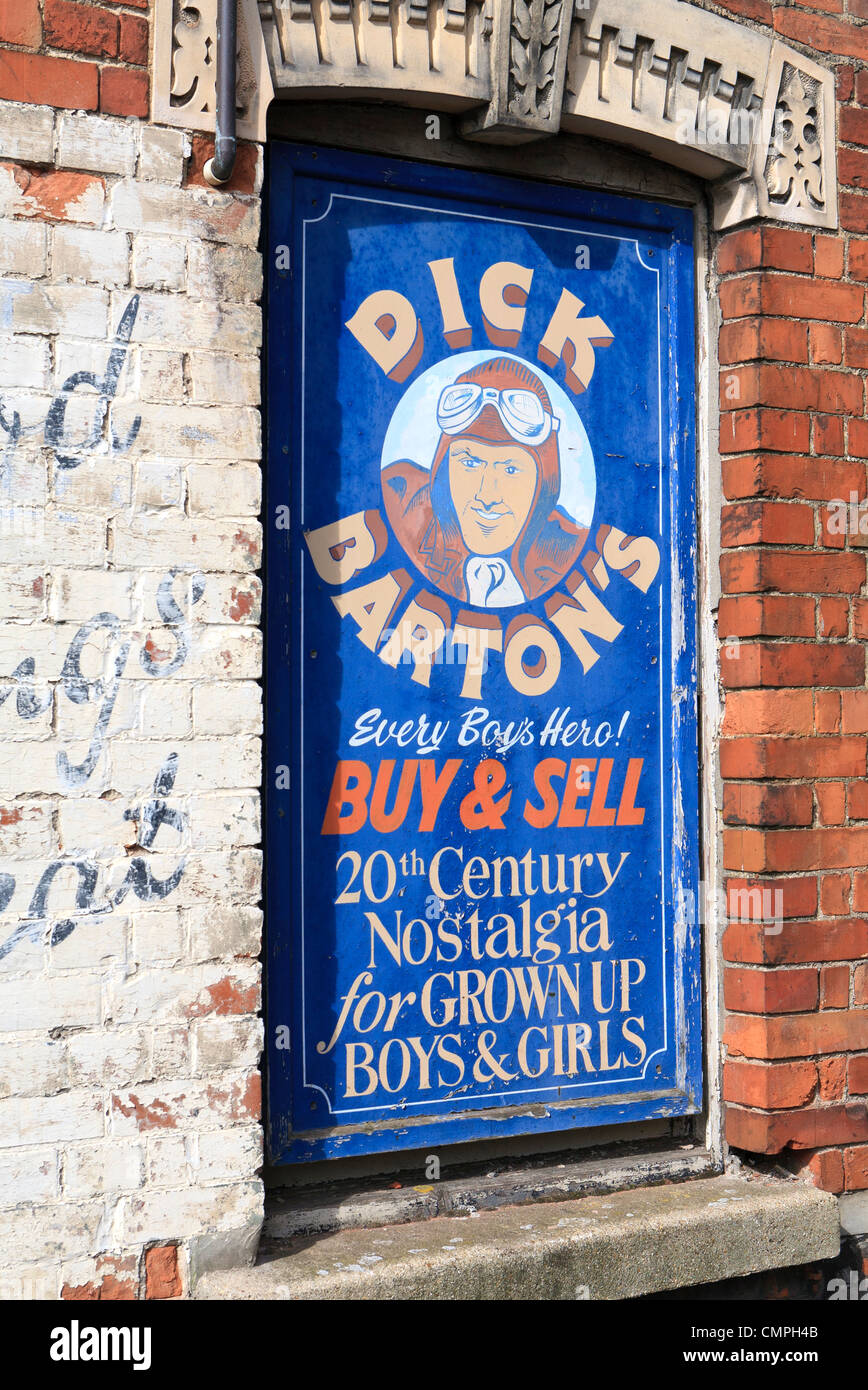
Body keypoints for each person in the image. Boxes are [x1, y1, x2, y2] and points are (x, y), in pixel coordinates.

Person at [381, 355, 587, 608]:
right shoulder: (397, 504)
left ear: (543, 483)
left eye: (511, 469)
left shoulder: (572, 556)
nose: (487, 496)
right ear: (444, 468)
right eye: (470, 464)